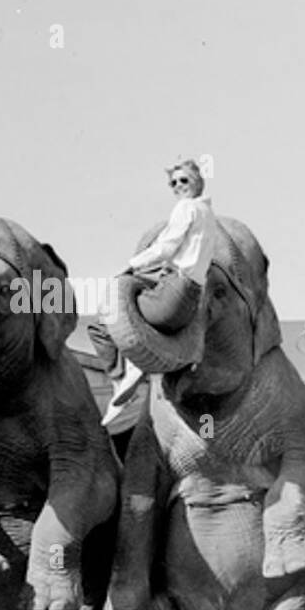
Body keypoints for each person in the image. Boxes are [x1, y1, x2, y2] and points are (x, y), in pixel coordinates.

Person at [91, 158, 219, 428]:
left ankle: (119, 376)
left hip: (173, 292)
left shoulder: (186, 208)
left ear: (197, 179)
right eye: (173, 183)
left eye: (183, 180)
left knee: (100, 323)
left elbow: (165, 247)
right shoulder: (209, 215)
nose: (178, 187)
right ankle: (136, 360)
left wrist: (130, 265)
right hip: (189, 299)